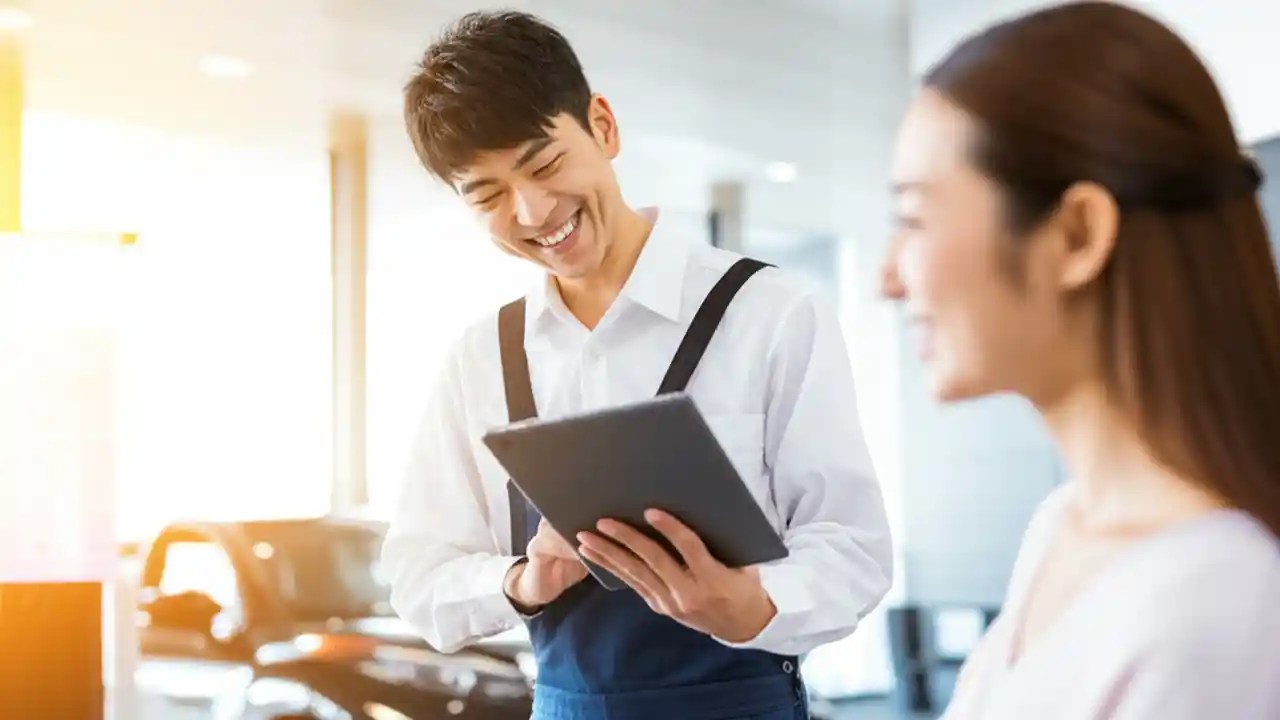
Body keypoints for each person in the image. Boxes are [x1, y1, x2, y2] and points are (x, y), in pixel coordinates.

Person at [381, 11, 893, 719]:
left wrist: (746, 604)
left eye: (545, 163)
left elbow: (853, 549)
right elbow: (418, 575)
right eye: (490, 196)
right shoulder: (481, 359)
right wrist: (524, 580)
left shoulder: (770, 311)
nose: (533, 210)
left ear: (603, 125)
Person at [880, 3, 1280, 718]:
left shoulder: (1214, 600)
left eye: (913, 219)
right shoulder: (1059, 526)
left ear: (1076, 235)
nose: (889, 278)